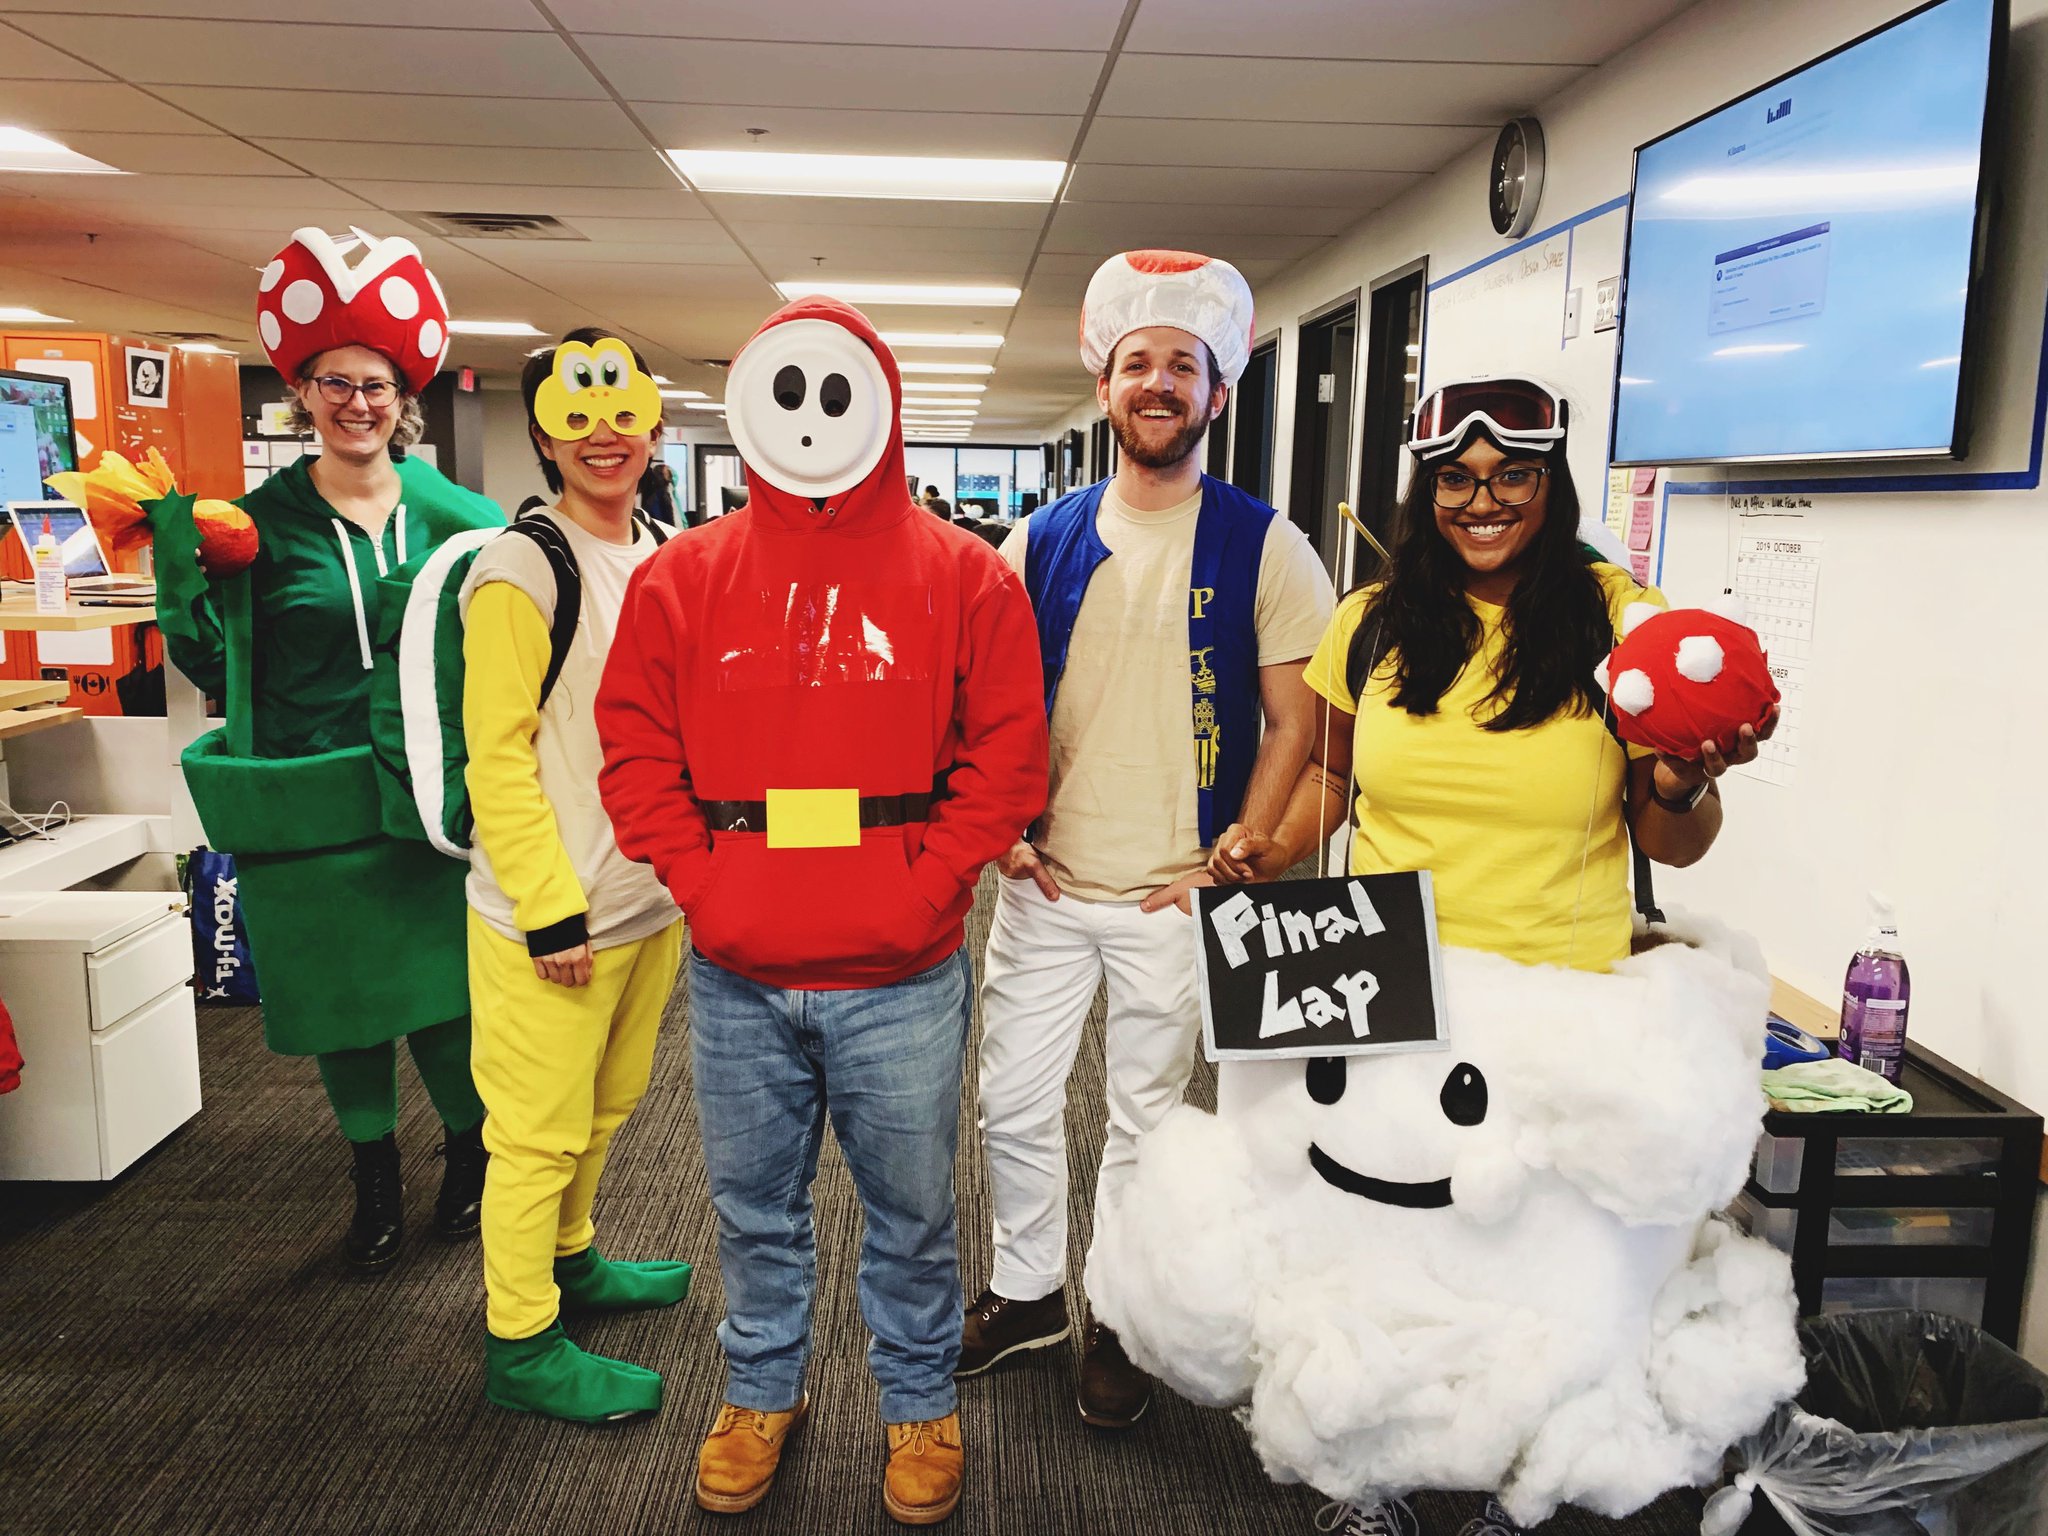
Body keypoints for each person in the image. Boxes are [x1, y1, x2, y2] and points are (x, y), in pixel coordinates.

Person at [1207, 375, 1771, 1536]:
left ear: (1548, 484)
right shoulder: (1371, 621)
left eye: (1510, 475)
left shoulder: (1620, 621)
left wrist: (1680, 778)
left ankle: (1519, 1492)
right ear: (1425, 491)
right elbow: (1331, 774)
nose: (1483, 501)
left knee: (1534, 1269)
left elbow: (1673, 834)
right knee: (1381, 1249)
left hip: (1549, 1005)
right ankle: (1375, 1482)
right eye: (1456, 480)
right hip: (1390, 987)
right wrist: (1268, 847)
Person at [596, 295, 1046, 1524]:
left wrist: (928, 882)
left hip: (902, 973)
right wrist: (701, 880)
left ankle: (917, 1401)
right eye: (787, 392)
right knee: (752, 1210)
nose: (809, 420)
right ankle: (761, 1389)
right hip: (737, 971)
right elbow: (633, 750)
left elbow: (1008, 755)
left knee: (911, 1215)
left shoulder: (963, 575)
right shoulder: (681, 577)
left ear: (879, 402)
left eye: (834, 393)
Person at [959, 251, 1333, 1429]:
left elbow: (1299, 724)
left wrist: (1240, 857)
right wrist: (1000, 829)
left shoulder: (1266, 546)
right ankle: (1028, 1290)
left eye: (1182, 365)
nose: (1157, 383)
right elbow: (984, 702)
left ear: (1216, 392)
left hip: (1174, 895)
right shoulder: (1038, 539)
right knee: (1010, 1103)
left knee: (1145, 1120)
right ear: (1106, 387)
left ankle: (1117, 1313)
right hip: (1045, 883)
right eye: (1137, 364)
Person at [160, 226, 504, 1270]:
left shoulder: (464, 518)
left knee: (446, 999)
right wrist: (181, 566)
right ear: (301, 393)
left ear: (404, 398)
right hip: (308, 802)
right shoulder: (251, 526)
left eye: (377, 386)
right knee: (342, 1005)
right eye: (336, 384)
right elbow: (213, 663)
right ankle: (373, 1181)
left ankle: (469, 1155)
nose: (359, 404)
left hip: (425, 798)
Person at [462, 329, 690, 1423]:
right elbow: (495, 754)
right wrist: (549, 908)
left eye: (623, 414)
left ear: (653, 426)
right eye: (576, 418)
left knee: (605, 1109)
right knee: (535, 1133)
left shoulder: (663, 551)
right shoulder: (520, 567)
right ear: (543, 436)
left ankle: (572, 1258)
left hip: (647, 901)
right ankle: (521, 1340)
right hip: (552, 918)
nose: (604, 436)